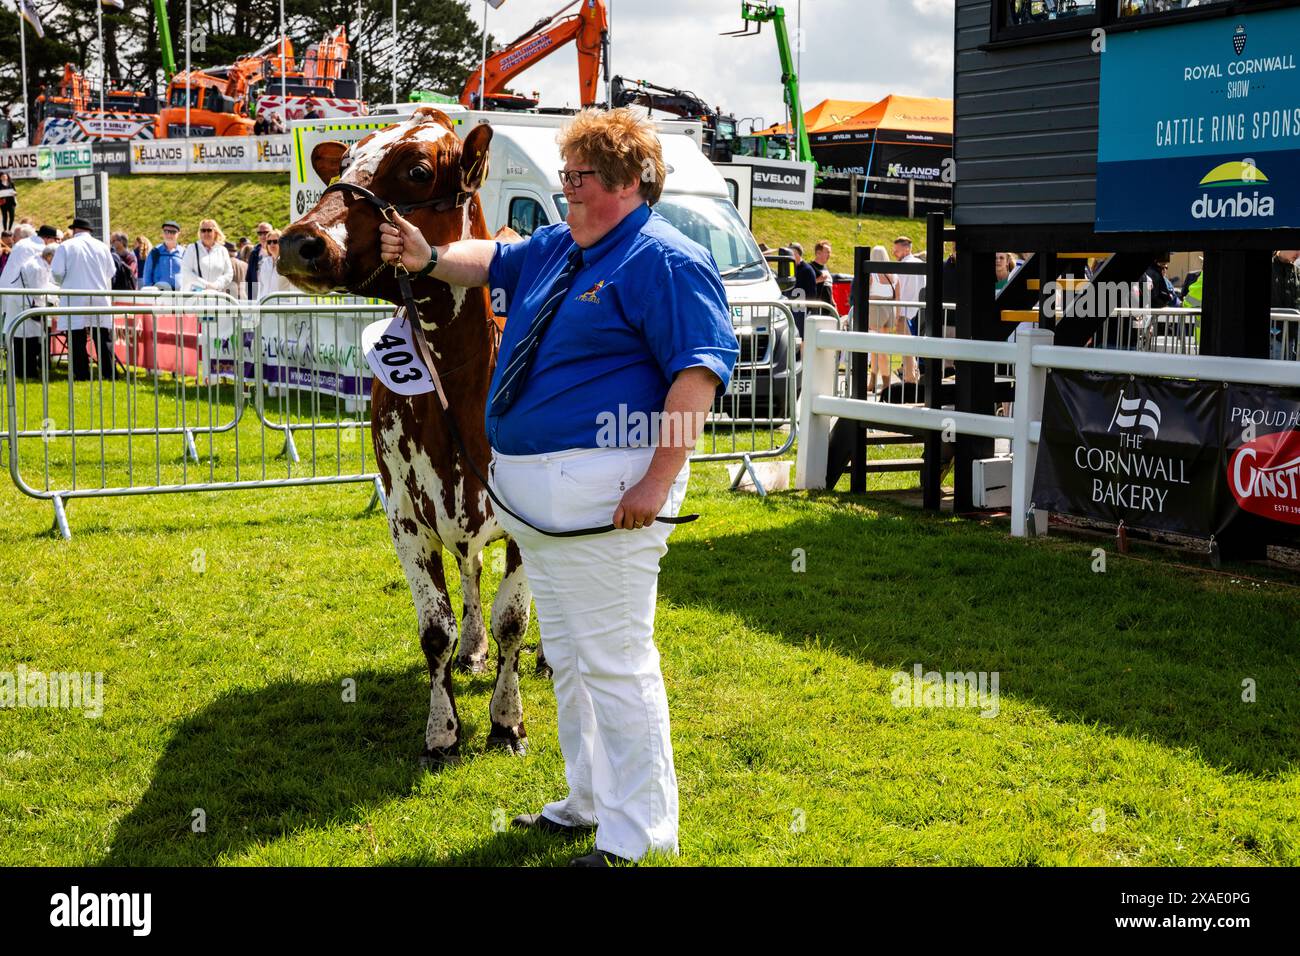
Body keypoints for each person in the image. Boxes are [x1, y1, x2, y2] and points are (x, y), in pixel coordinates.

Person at [379, 107, 739, 867]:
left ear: (627, 184)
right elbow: (485, 261)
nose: (564, 188)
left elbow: (697, 378)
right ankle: (585, 803)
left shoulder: (663, 259)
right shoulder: (561, 246)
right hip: (544, 504)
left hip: (610, 500)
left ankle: (638, 836)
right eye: (566, 175)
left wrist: (658, 479)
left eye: (578, 178)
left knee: (616, 662)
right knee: (572, 659)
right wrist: (425, 253)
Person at [50, 217, 115, 380]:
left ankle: (82, 373)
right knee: (102, 336)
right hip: (99, 295)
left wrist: (64, 281)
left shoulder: (65, 246)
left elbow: (57, 273)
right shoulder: (102, 247)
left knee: (76, 337)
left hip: (75, 296)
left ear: (74, 230)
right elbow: (111, 272)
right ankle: (109, 372)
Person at [1, 224, 59, 375]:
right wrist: (56, 297)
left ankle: (25, 369)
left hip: (16, 296)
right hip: (23, 300)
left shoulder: (26, 245)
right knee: (25, 338)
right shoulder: (36, 254)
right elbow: (38, 288)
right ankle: (26, 371)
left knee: (27, 337)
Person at [13, 244, 58, 376]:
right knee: (28, 342)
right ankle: (27, 372)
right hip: (26, 306)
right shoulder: (37, 267)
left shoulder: (40, 264)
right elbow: (38, 291)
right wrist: (56, 297)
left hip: (28, 305)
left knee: (31, 340)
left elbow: (44, 286)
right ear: (49, 256)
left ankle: (28, 371)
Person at [866, 245, 901, 395]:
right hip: (890, 310)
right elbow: (898, 298)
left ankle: (886, 384)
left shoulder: (871, 275)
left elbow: (864, 293)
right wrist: (897, 315)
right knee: (877, 349)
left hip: (876, 309)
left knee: (879, 350)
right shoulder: (894, 275)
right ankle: (872, 381)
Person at [180, 218, 233, 293]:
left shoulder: (222, 250)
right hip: (193, 297)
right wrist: (205, 285)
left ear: (215, 232)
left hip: (215, 296)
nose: (206, 233)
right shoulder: (192, 248)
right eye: (203, 230)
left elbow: (229, 273)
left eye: (209, 230)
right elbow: (185, 271)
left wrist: (217, 285)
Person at [1270, 250, 1300, 361]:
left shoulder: (1297, 272)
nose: (1298, 254)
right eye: (1296, 248)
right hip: (1273, 335)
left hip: (1292, 337)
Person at [142, 221, 185, 290]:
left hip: (179, 295)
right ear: (162, 233)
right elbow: (147, 275)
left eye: (173, 232)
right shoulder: (155, 252)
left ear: (178, 234)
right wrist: (150, 293)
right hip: (159, 294)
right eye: (166, 231)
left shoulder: (183, 252)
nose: (169, 235)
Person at [256, 229, 288, 300]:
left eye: (275, 241)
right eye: (269, 242)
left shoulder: (287, 262)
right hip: (265, 304)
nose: (272, 244)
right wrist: (258, 303)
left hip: (282, 305)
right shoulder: (264, 262)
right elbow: (261, 286)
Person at [245, 221, 273, 297]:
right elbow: (249, 278)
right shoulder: (254, 253)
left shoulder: (277, 251)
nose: (263, 236)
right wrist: (251, 299)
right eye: (260, 233)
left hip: (274, 294)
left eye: (266, 232)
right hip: (258, 296)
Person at [810, 239, 836, 307]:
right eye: (827, 252)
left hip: (828, 308)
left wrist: (833, 303)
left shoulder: (825, 268)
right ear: (818, 253)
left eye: (829, 252)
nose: (829, 255)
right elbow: (804, 286)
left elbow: (829, 288)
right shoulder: (810, 268)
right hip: (817, 308)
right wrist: (818, 280)